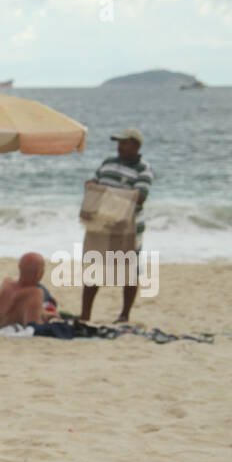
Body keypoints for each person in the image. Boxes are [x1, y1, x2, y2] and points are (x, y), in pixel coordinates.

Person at [79, 128, 153, 324]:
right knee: (93, 266)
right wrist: (91, 185)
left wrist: (108, 194)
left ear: (136, 145)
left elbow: (141, 198)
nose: (119, 147)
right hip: (102, 223)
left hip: (129, 227)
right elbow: (95, 181)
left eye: (124, 143)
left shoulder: (143, 169)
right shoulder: (108, 163)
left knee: (129, 269)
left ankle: (124, 315)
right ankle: (85, 314)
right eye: (118, 143)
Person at [0, 252, 58, 329]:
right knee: (44, 294)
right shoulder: (34, 293)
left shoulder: (6, 283)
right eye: (43, 268)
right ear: (39, 273)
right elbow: (33, 326)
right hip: (6, 325)